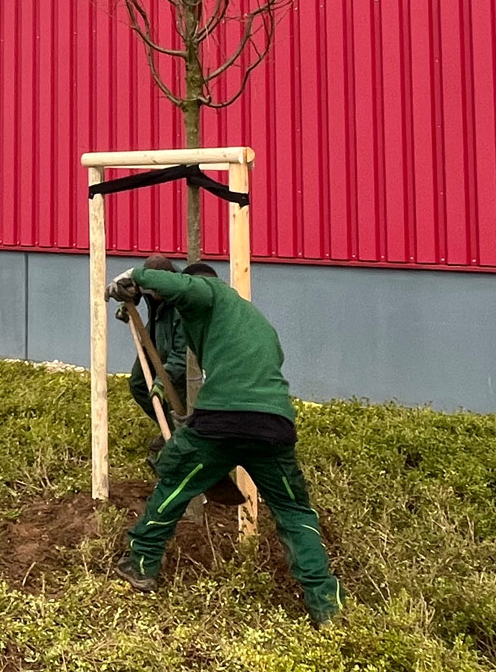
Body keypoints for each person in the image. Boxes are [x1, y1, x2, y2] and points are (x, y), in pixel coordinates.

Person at [104, 261, 346, 626]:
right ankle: (326, 604)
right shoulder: (255, 321)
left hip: (223, 423)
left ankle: (140, 562)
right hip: (273, 426)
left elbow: (184, 287)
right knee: (295, 513)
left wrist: (133, 278)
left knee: (173, 480)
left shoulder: (211, 293)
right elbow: (250, 372)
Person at [121, 254, 188, 443]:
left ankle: (179, 440)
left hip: (175, 355)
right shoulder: (148, 280)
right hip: (153, 340)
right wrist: (128, 302)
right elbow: (134, 288)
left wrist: (161, 381)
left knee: (180, 403)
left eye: (157, 292)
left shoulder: (183, 303)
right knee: (138, 385)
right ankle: (168, 427)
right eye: (149, 291)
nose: (153, 296)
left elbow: (181, 355)